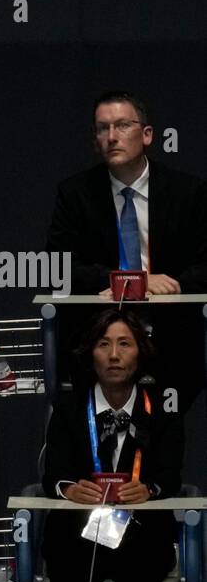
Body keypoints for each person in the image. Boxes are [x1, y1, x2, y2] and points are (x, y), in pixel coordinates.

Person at [41, 309, 183, 582]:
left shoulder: (162, 409)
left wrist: (150, 490)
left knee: (144, 575)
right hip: (80, 536)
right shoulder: (70, 408)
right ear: (91, 354)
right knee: (68, 570)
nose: (114, 355)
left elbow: (170, 475)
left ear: (140, 352)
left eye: (124, 344)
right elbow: (53, 475)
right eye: (104, 344)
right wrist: (69, 489)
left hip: (141, 534)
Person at [46, 90, 207, 403]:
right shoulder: (75, 194)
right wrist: (131, 282)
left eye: (122, 126)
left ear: (146, 135)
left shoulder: (188, 192)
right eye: (102, 128)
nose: (111, 136)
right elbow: (58, 266)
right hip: (97, 340)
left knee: (162, 441)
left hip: (171, 340)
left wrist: (170, 287)